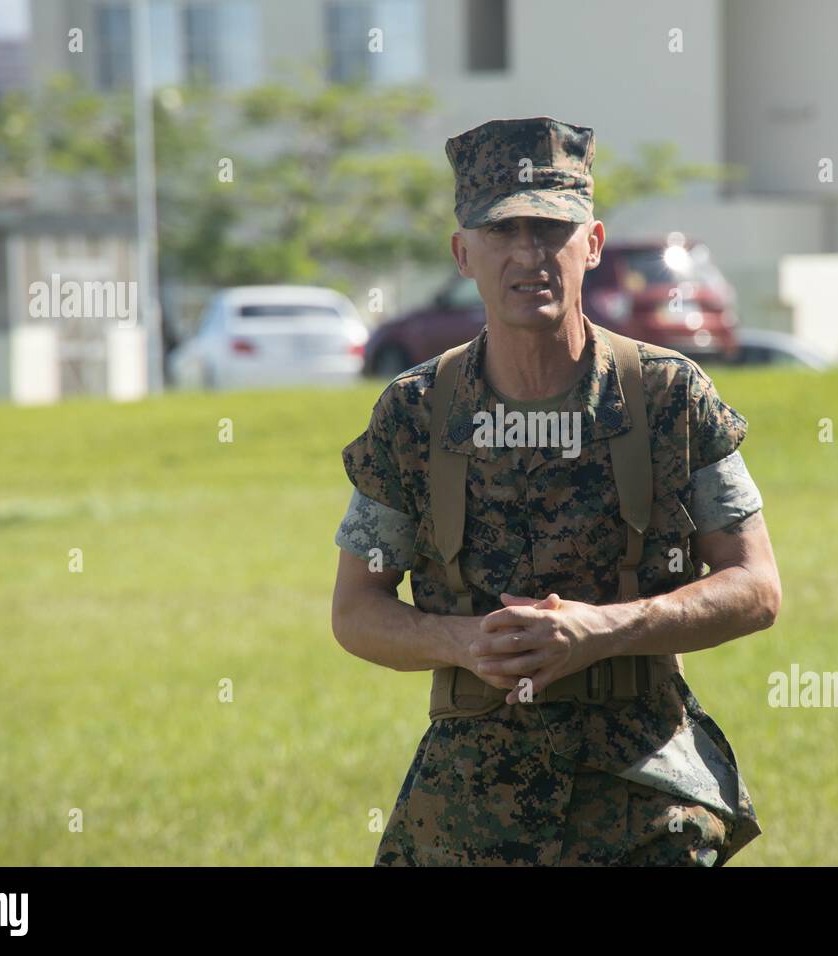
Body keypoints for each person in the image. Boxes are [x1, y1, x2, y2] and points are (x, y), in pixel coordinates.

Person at [331, 116, 781, 866]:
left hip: (642, 794)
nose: (528, 254)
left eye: (551, 229)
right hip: (466, 809)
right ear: (462, 253)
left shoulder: (670, 397)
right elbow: (355, 611)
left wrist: (605, 629)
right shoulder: (414, 414)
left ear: (593, 244)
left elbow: (757, 587)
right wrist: (464, 642)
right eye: (502, 231)